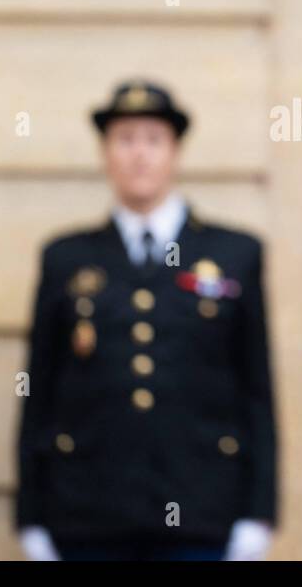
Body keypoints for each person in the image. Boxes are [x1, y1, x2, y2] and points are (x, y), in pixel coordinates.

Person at [16, 80, 276, 560]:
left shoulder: (234, 254)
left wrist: (258, 513)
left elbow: (256, 391)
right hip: (87, 516)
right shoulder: (66, 259)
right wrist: (31, 517)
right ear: (106, 152)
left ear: (175, 151)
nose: (140, 154)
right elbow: (38, 389)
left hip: (203, 512)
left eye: (153, 140)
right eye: (125, 139)